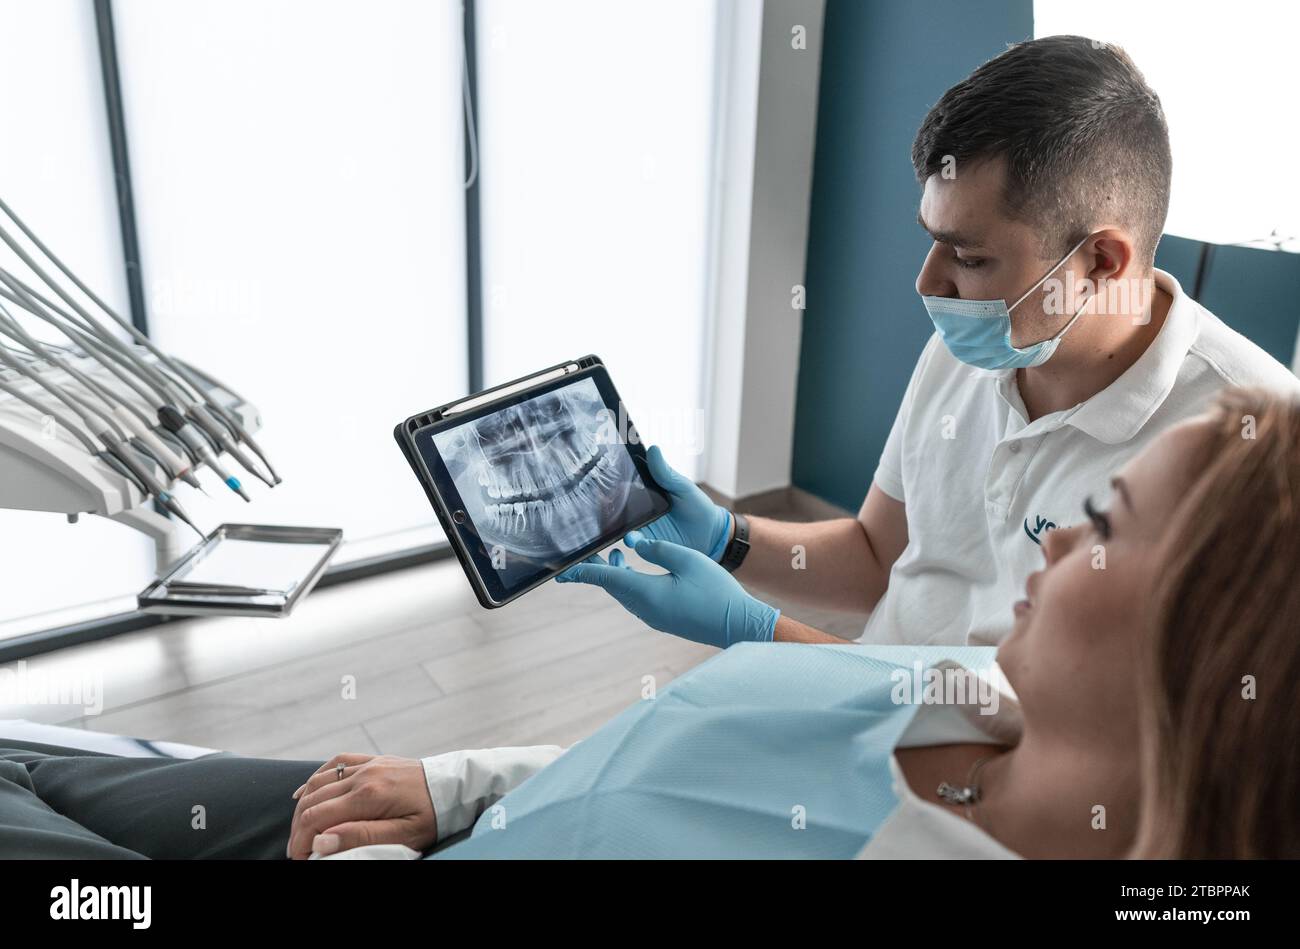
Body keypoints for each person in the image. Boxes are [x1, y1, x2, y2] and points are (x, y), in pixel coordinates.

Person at [0, 387, 1295, 859]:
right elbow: (692, 757)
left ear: (1207, 646)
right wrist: (456, 786)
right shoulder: (983, 689)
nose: (1054, 536)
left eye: (1104, 521)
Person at [558, 35, 1300, 650]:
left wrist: (758, 634)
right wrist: (726, 537)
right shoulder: (976, 342)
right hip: (856, 716)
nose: (928, 283)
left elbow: (1041, 742)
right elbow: (878, 558)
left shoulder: (1250, 454)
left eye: (969, 256)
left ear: (1100, 263)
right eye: (933, 239)